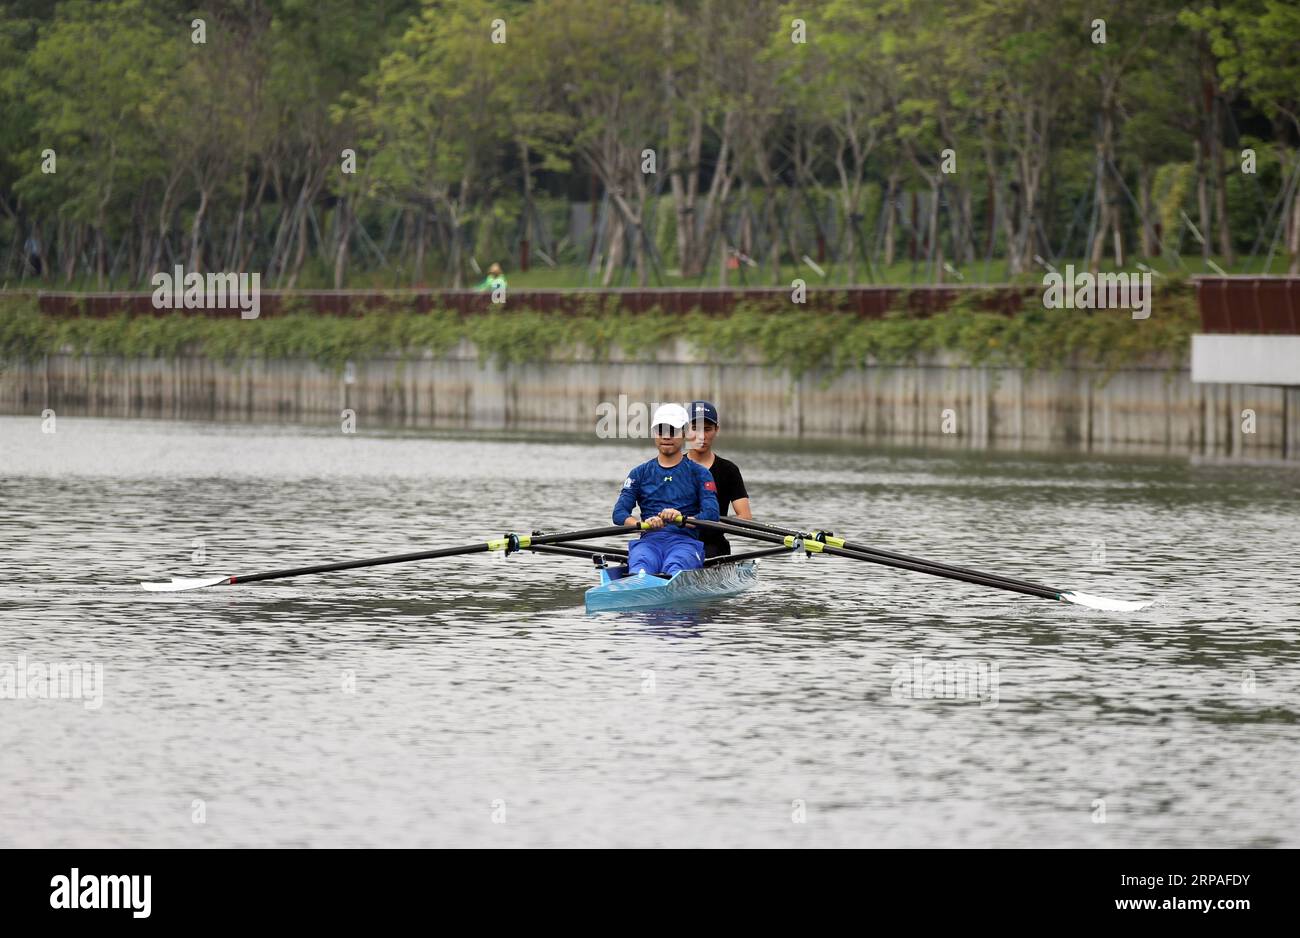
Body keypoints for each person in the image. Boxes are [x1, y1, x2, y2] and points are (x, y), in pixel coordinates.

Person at [612, 402, 720, 577]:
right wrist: (641, 525)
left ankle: (665, 584)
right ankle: (639, 582)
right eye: (661, 430)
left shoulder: (700, 474)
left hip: (685, 543)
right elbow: (619, 513)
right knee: (641, 567)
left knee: (674, 567)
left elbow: (712, 514)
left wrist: (681, 519)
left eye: (673, 431)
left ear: (684, 433)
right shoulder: (639, 473)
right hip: (648, 542)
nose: (666, 436)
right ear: (655, 433)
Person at [685, 401, 751, 558]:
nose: (701, 436)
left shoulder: (729, 470)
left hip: (712, 545)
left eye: (707, 430)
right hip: (678, 540)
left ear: (716, 430)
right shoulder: (673, 467)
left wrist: (711, 524)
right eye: (695, 429)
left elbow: (745, 517)